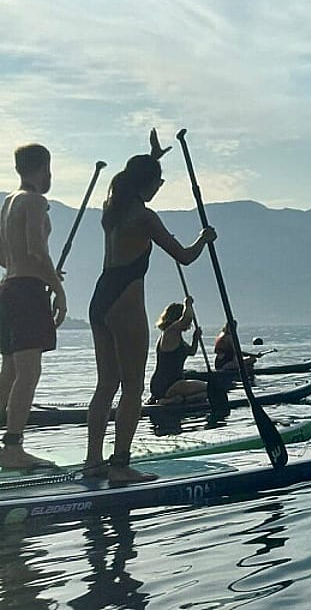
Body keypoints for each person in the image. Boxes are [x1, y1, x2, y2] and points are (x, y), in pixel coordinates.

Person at [83, 131, 217, 484]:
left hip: (100, 299)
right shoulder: (145, 217)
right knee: (132, 388)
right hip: (126, 302)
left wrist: (152, 157)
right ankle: (120, 466)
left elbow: (135, 176)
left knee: (105, 385)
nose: (160, 186)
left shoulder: (110, 212)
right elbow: (185, 257)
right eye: (158, 181)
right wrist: (204, 238)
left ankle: (93, 461)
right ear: (148, 185)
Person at [0, 144, 67, 470]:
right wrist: (58, 288)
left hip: (9, 287)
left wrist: (46, 272)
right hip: (27, 292)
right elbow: (36, 249)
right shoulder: (36, 200)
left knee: (10, 371)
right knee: (29, 372)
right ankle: (13, 449)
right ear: (45, 167)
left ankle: (5, 444)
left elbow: (6, 255)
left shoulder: (8, 202)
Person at [147, 297, 208, 405]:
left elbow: (192, 352)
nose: (189, 325)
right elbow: (186, 319)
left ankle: (174, 400)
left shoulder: (176, 336)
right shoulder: (170, 332)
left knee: (204, 395)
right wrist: (187, 303)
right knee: (209, 388)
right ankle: (166, 400)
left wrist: (195, 339)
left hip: (173, 382)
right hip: (168, 383)